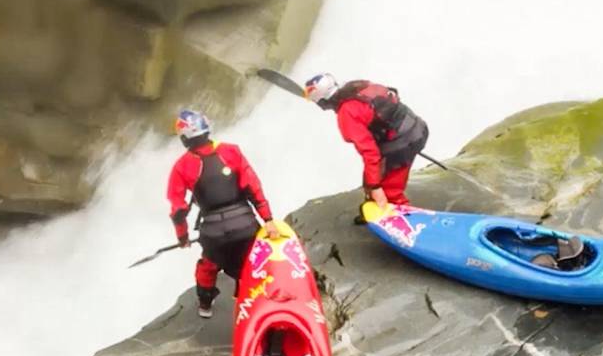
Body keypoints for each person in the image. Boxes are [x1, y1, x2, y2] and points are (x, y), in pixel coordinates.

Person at [166, 108, 280, 318]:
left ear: (184, 138)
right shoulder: (231, 151)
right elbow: (253, 187)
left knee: (208, 265)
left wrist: (182, 237)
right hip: (246, 225)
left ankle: (205, 306)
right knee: (251, 262)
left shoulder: (181, 166)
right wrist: (268, 220)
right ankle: (256, 298)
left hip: (214, 233)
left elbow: (178, 210)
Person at [302, 73, 429, 222]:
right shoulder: (357, 87)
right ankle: (375, 205)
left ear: (322, 101)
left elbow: (370, 152)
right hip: (416, 128)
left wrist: (375, 187)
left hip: (401, 143)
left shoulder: (347, 113)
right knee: (372, 179)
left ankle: (407, 220)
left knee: (388, 192)